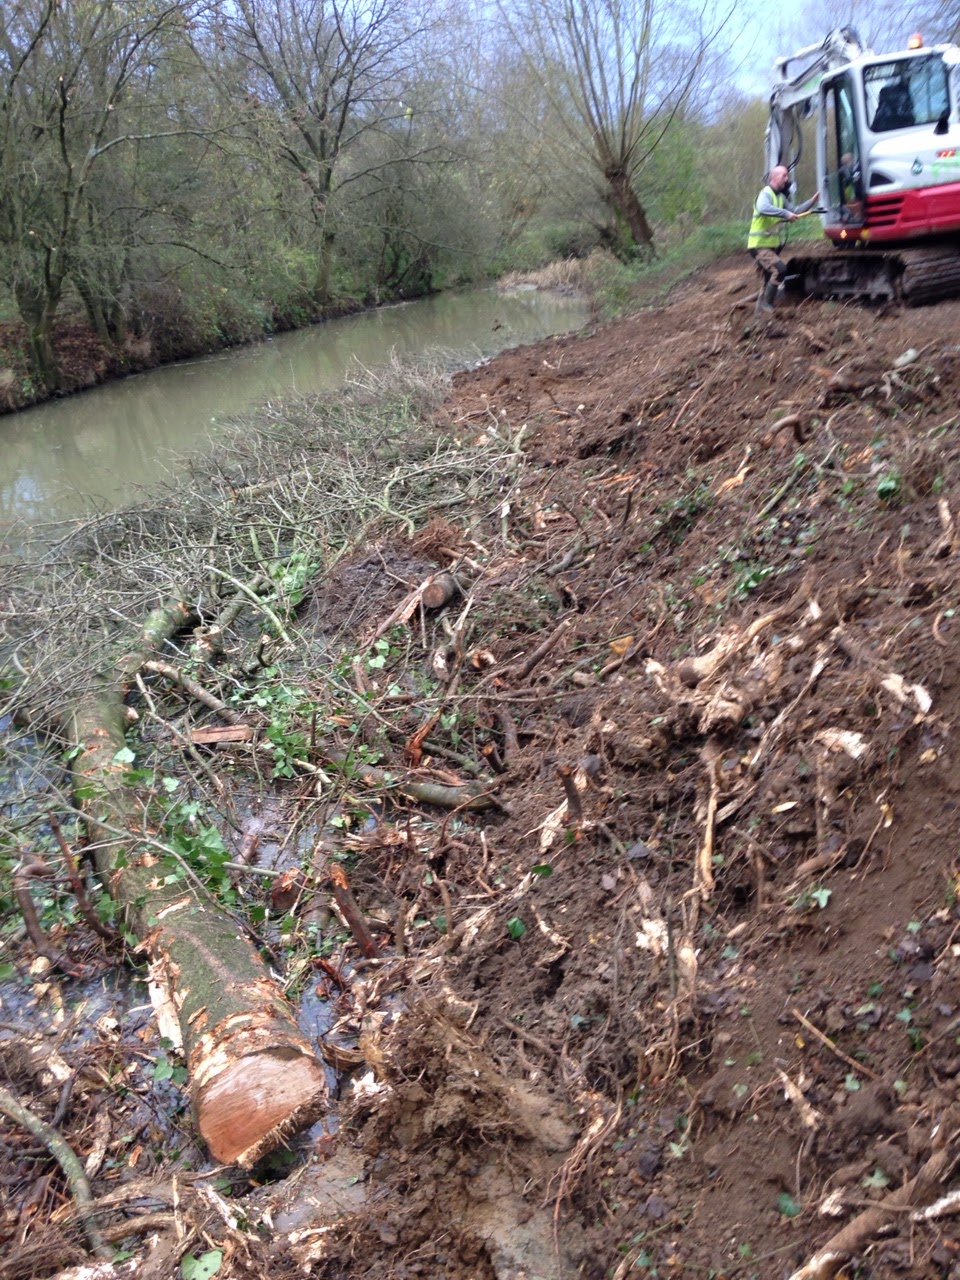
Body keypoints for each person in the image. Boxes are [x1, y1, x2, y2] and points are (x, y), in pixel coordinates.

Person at [747, 165, 819, 315]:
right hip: (759, 245)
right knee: (781, 270)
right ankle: (767, 304)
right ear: (774, 178)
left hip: (770, 245)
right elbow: (762, 208)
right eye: (784, 176)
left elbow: (794, 211)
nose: (787, 179)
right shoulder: (765, 193)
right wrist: (785, 214)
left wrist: (811, 202)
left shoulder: (780, 197)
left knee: (768, 279)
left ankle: (760, 314)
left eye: (787, 176)